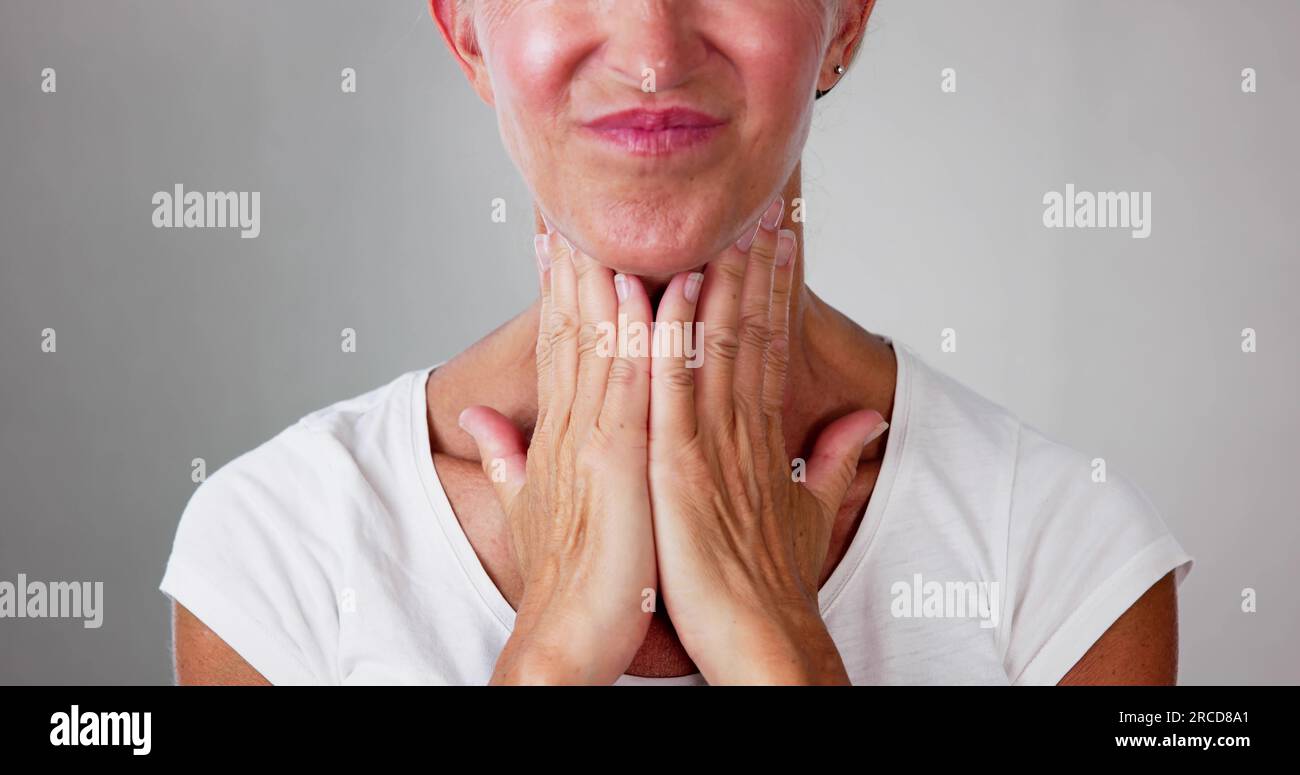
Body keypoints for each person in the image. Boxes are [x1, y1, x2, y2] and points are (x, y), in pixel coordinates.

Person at [162, 0, 1192, 685]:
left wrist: (778, 648)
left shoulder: (1065, 558)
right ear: (467, 32)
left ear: (846, 19)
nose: (653, 52)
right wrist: (552, 652)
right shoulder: (275, 550)